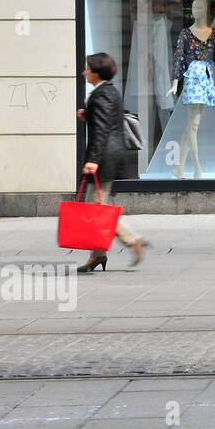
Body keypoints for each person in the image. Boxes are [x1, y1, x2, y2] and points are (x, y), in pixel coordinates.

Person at [75, 53, 147, 271]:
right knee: (96, 208)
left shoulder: (102, 94)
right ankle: (97, 255)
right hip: (108, 156)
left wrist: (93, 160)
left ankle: (132, 240)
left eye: (88, 69)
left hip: (104, 158)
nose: (84, 73)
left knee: (95, 209)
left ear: (96, 73)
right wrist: (88, 114)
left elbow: (103, 130)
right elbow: (108, 120)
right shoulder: (108, 91)